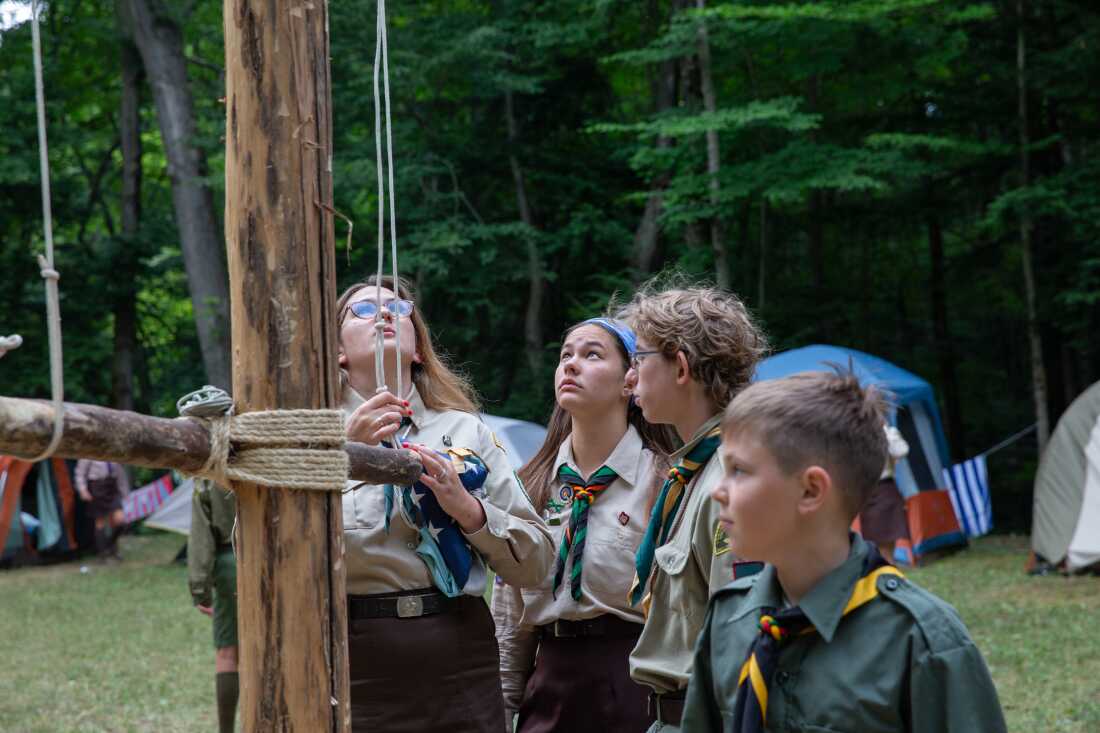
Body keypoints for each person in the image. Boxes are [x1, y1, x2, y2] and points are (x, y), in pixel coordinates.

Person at [682, 371, 1007, 732]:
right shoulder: (729, 619)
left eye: (738, 471)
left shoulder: (920, 641)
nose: (717, 491)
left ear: (810, 491)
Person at [338, 275, 555, 733]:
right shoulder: (309, 434)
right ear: (337, 350)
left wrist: (469, 511)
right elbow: (260, 548)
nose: (383, 315)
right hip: (351, 656)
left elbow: (538, 563)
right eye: (362, 310)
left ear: (418, 349)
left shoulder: (467, 431)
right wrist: (342, 457)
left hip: (458, 653)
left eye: (399, 310)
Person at [492, 318, 677, 733]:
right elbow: (509, 618)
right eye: (565, 355)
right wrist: (502, 707)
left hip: (635, 685)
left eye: (592, 354)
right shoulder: (530, 485)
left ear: (631, 381)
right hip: (549, 687)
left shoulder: (664, 482)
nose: (571, 365)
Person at [616, 282, 768, 731]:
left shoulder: (728, 479)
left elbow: (744, 642)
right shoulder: (692, 473)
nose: (629, 378)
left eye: (638, 360)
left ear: (680, 367)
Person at [188, 480, 239, 733]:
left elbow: (201, 533)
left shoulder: (210, 473)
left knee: (228, 653)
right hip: (273, 558)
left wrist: (200, 589)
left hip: (231, 563)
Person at [858, 424, 911, 561]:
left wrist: (885, 432)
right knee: (874, 548)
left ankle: (889, 578)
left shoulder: (887, 433)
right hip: (864, 493)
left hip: (884, 489)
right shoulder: (853, 434)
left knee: (886, 550)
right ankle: (886, 577)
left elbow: (901, 451)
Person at [74, 459, 130, 561]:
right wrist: (83, 490)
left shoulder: (114, 451)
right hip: (97, 486)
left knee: (120, 521)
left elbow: (120, 473)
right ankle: (102, 552)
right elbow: (80, 473)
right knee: (100, 522)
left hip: (112, 487)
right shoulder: (88, 453)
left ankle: (111, 546)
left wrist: (124, 492)